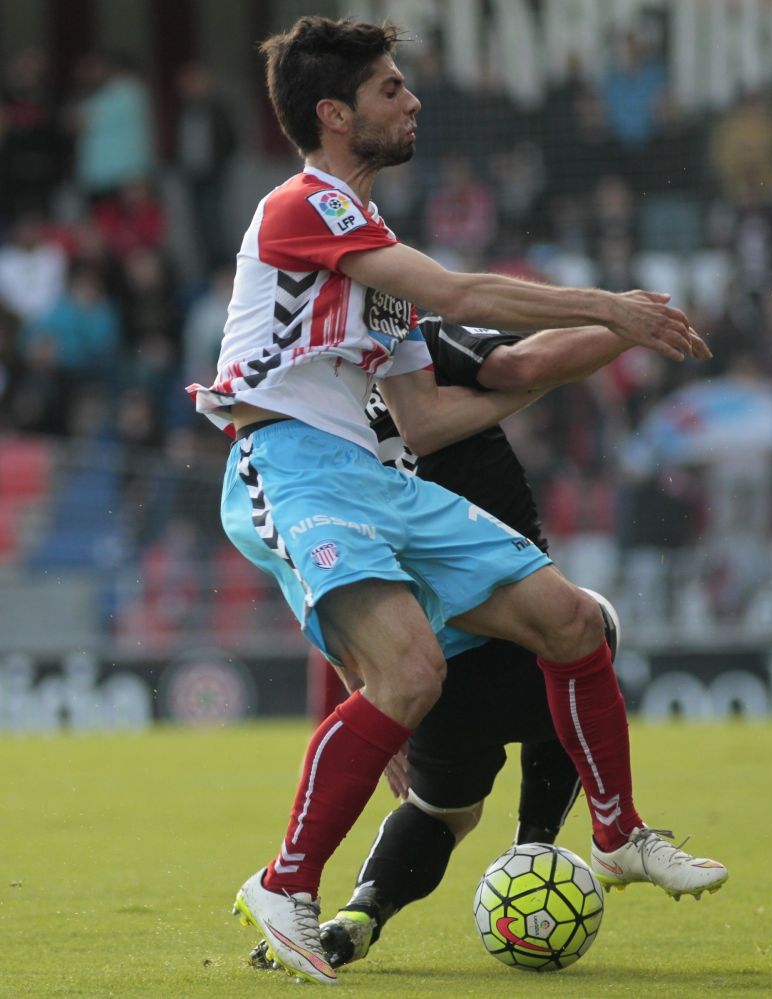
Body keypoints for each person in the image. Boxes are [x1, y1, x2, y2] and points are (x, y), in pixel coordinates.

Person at [188, 17, 722, 985]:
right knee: (409, 673)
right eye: (391, 88)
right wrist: (609, 306)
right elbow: (458, 293)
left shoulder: (369, 254)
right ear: (334, 113)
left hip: (373, 475)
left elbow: (428, 418)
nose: (413, 100)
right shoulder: (301, 206)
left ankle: (617, 834)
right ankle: (285, 882)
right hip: (291, 463)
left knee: (572, 620)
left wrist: (575, 358)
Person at [245, 314, 720, 975]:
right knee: (584, 630)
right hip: (480, 653)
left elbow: (328, 585)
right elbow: (526, 363)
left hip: (429, 667)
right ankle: (544, 848)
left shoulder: (328, 391)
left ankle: (360, 914)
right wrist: (623, 322)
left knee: (445, 807)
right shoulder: (417, 344)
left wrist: (369, 694)